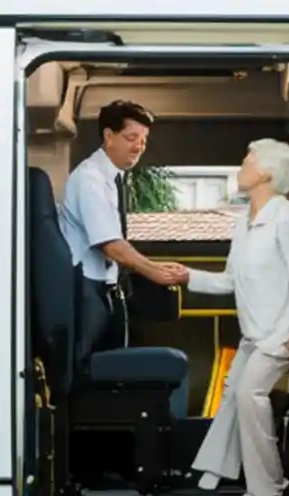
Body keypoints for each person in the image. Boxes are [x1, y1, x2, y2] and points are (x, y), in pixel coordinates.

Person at [183, 139, 289, 496]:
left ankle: (268, 487)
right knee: (232, 396)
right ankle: (214, 470)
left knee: (249, 394)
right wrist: (186, 277)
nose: (242, 164)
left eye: (248, 159)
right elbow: (230, 281)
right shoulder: (245, 221)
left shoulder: (284, 215)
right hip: (253, 336)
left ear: (266, 173)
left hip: (279, 335)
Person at [59, 99, 188, 351]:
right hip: (86, 289)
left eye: (143, 139)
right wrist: (154, 271)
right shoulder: (90, 179)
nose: (139, 147)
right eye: (131, 138)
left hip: (103, 288)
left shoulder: (112, 177)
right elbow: (110, 245)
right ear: (109, 136)